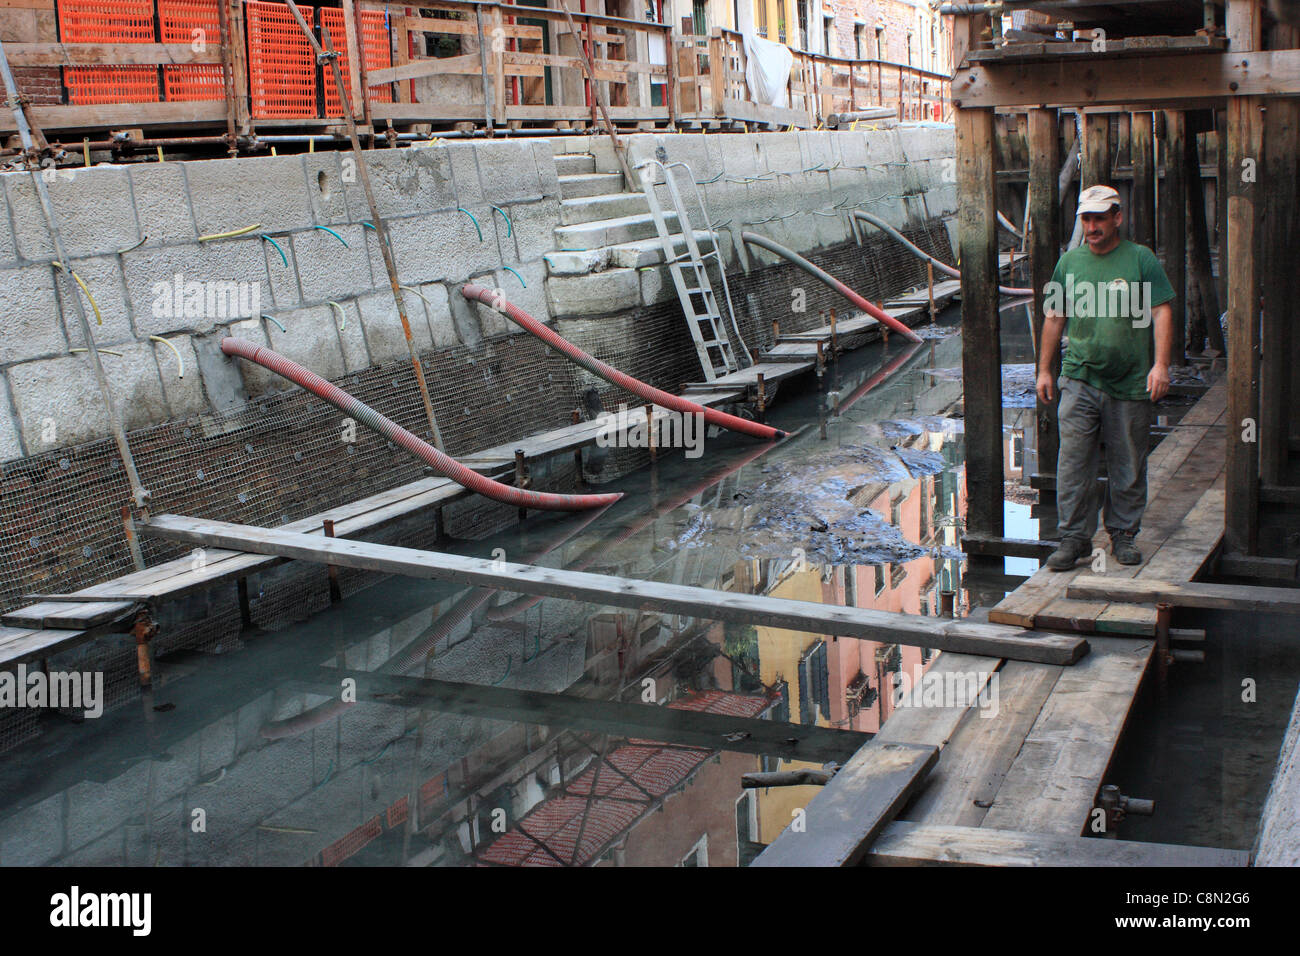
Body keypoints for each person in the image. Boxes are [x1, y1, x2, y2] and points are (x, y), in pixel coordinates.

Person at [1036, 184, 1176, 570]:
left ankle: (1123, 534)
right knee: (1073, 462)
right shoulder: (1069, 263)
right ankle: (1073, 538)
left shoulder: (1140, 260)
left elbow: (1162, 312)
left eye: (1100, 218)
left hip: (1131, 382)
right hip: (1079, 377)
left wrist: (1160, 365)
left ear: (1118, 217)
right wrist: (1044, 369)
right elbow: (1054, 317)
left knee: (1128, 461)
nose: (1093, 226)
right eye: (1087, 218)